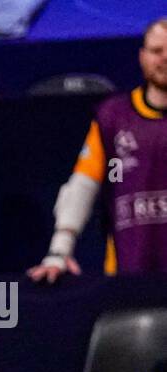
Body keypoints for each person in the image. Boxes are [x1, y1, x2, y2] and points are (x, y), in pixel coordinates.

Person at [29, 18, 167, 282]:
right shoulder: (113, 117)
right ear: (142, 56)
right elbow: (83, 184)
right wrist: (59, 250)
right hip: (129, 276)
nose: (165, 59)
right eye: (157, 51)